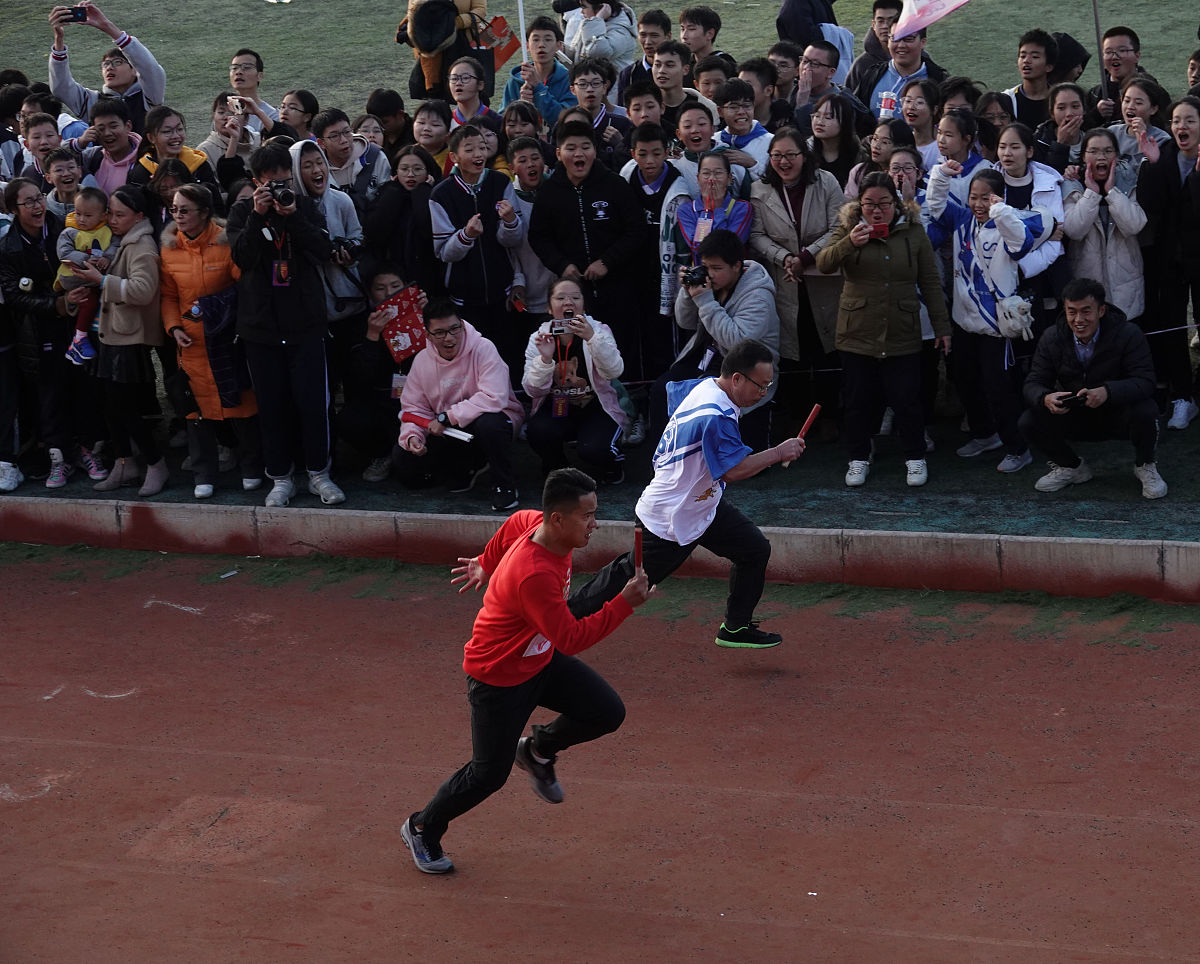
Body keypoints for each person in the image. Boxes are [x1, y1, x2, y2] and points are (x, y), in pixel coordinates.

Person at [400, 468, 651, 875]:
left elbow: (514, 521)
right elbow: (570, 637)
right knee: (487, 776)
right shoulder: (535, 575)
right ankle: (422, 827)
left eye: (595, 513)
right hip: (498, 677)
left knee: (606, 711)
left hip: (538, 661)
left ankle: (536, 750)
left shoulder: (536, 523)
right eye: (587, 515)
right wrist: (624, 603)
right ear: (558, 519)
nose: (595, 523)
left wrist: (485, 561)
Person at [569, 338, 805, 648]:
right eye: (760, 386)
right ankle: (564, 616)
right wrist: (778, 452)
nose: (763, 393)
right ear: (736, 378)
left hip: (701, 504)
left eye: (768, 385)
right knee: (631, 579)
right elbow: (733, 471)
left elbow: (672, 394)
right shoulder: (716, 416)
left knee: (754, 549)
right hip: (672, 514)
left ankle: (735, 627)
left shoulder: (705, 386)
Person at [226, 142, 344, 508]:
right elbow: (242, 259)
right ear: (256, 181)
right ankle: (279, 478)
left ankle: (319, 474)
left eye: (283, 179)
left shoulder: (305, 205)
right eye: (270, 183)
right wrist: (258, 216)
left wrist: (291, 215)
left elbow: (325, 251)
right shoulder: (241, 212)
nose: (279, 188)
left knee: (313, 405)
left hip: (305, 325)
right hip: (260, 328)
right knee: (272, 406)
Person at [816, 172, 950, 487]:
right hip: (857, 330)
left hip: (902, 328)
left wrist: (942, 327)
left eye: (884, 204)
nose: (877, 211)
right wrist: (850, 243)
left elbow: (930, 281)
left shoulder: (913, 230)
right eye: (869, 204)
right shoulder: (848, 227)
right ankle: (858, 457)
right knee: (858, 399)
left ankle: (915, 457)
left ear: (896, 202)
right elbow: (824, 263)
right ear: (859, 204)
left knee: (906, 398)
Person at [926, 163, 1052, 474]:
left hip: (997, 325)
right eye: (974, 197)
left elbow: (1021, 245)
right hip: (964, 320)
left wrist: (1001, 212)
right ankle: (985, 434)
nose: (978, 204)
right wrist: (941, 175)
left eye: (986, 198)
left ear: (1000, 197)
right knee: (966, 381)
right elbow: (937, 205)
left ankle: (1018, 447)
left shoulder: (1010, 221)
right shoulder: (963, 219)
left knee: (999, 388)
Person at [159, 183, 262, 500]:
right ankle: (204, 473)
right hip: (190, 344)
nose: (178, 215)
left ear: (205, 213)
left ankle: (252, 468)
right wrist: (174, 327)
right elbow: (168, 295)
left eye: (185, 209)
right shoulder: (169, 248)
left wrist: (221, 313)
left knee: (242, 407)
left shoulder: (226, 242)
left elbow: (243, 287)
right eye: (174, 209)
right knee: (195, 411)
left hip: (227, 342)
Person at [1019, 277, 1165, 499]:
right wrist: (1045, 397)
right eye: (1072, 311)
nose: (1079, 319)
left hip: (1118, 412)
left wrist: (1108, 391)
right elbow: (1033, 382)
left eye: (1086, 311)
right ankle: (1071, 467)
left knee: (1147, 410)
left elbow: (1145, 381)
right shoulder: (1052, 337)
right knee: (1029, 420)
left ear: (1101, 310)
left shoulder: (1129, 333)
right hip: (1075, 414)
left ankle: (1145, 465)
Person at [748, 128, 843, 435]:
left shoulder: (826, 182)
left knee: (825, 347)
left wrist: (805, 257)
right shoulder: (759, 189)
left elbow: (838, 228)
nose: (784, 162)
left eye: (791, 155)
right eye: (777, 156)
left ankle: (830, 416)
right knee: (791, 352)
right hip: (784, 282)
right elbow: (756, 235)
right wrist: (785, 259)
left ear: (805, 156)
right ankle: (798, 420)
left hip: (822, 279)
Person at [530, 120, 645, 372]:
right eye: (571, 148)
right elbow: (538, 237)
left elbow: (636, 230)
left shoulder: (614, 185)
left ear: (595, 150)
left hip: (617, 285)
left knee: (620, 347)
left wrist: (607, 262)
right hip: (575, 291)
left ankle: (627, 398)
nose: (579, 154)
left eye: (586, 147)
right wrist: (562, 265)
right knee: (578, 354)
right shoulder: (549, 192)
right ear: (559, 154)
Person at [0, 178, 91, 491]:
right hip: (39, 331)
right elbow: (14, 296)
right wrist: (57, 304)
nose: (38, 206)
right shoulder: (9, 247)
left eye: (39, 198)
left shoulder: (63, 228)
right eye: (28, 202)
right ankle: (58, 456)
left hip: (79, 322)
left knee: (82, 386)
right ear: (13, 210)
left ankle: (86, 450)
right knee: (50, 392)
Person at [657, 228, 780, 453]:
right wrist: (688, 292)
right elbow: (685, 322)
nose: (710, 275)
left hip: (745, 370)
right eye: (707, 267)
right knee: (662, 390)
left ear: (737, 266)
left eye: (717, 268)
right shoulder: (710, 283)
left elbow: (739, 343)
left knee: (746, 453)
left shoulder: (758, 294)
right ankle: (667, 457)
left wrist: (704, 301)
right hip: (708, 359)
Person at [398, 298, 526, 511]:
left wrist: (447, 416)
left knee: (489, 424)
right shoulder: (421, 360)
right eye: (439, 332)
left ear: (462, 325)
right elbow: (413, 408)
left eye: (454, 329)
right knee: (405, 463)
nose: (449, 338)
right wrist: (413, 436)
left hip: (492, 420)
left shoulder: (483, 348)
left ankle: (504, 485)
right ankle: (466, 467)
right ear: (427, 334)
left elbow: (494, 396)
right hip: (448, 430)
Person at [83, 185, 168, 496]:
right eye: (111, 213)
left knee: (126, 409)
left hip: (127, 339)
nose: (112, 220)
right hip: (113, 335)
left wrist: (102, 281)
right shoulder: (125, 242)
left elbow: (143, 291)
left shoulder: (142, 246)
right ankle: (125, 463)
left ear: (138, 216)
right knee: (111, 407)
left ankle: (155, 464)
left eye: (119, 214)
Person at [429, 123, 526, 373]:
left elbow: (512, 241)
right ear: (454, 157)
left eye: (482, 147)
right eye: (470, 149)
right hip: (463, 299)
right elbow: (443, 253)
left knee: (508, 357)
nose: (478, 154)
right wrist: (466, 235)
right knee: (472, 361)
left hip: (502, 292)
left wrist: (510, 222)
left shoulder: (500, 182)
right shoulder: (441, 195)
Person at [523, 277, 629, 484]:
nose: (568, 302)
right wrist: (545, 359)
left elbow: (614, 371)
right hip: (556, 407)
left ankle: (612, 465)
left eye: (575, 297)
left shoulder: (599, 330)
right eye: (560, 297)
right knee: (537, 431)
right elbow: (532, 391)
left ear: (583, 305)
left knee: (594, 450)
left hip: (595, 407)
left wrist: (592, 339)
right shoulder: (539, 337)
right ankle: (557, 466)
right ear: (549, 307)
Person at [1137, 95, 1200, 431]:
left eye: (1189, 120)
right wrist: (1151, 164)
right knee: (1173, 325)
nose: (1181, 127)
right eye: (1176, 121)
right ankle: (1182, 397)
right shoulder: (1165, 158)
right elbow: (1151, 208)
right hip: (1172, 260)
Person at [1061, 128, 1147, 332]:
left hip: (1125, 286)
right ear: (1083, 156)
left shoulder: (1130, 180)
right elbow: (1074, 229)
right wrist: (1092, 192)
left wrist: (1111, 192)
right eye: (1094, 151)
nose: (1101, 157)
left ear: (1116, 156)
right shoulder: (1071, 183)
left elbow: (1135, 225)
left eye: (1108, 151)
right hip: (1087, 287)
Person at [47, 2, 165, 135]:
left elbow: (151, 70)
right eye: (106, 64)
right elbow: (61, 88)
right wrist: (58, 40)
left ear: (134, 70)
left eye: (117, 62)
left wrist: (107, 26)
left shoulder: (149, 97)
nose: (109, 68)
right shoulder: (93, 102)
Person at [55, 186, 116, 365]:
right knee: (89, 300)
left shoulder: (107, 230)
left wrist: (107, 258)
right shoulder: (70, 231)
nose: (81, 219)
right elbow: (64, 252)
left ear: (103, 215)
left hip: (94, 277)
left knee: (96, 299)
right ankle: (78, 339)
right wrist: (87, 260)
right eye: (78, 213)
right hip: (74, 276)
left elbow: (115, 245)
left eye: (88, 216)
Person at [846, 26, 947, 120]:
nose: (901, 45)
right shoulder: (872, 74)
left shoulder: (939, 81)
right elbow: (855, 116)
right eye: (895, 38)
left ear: (923, 42)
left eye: (908, 39)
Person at [673, 151, 753, 265]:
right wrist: (707, 210)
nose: (712, 179)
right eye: (706, 173)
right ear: (698, 178)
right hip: (702, 277)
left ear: (729, 178)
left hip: (734, 277)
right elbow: (698, 247)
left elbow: (730, 248)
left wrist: (718, 208)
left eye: (718, 173)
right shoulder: (686, 210)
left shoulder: (742, 208)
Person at [501, 16, 577, 128]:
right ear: (527, 46)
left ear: (559, 46)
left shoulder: (569, 80)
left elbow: (565, 120)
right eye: (535, 39)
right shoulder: (516, 81)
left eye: (548, 39)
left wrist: (539, 89)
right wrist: (520, 106)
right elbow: (502, 121)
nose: (541, 45)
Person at [312, 108, 392, 211]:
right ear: (321, 143)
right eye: (335, 136)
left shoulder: (376, 157)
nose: (344, 140)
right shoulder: (315, 167)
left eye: (346, 132)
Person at [1002, 29, 1058, 129]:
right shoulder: (1007, 99)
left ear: (1049, 66)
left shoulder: (1059, 99)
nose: (1026, 61)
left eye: (1035, 56)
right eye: (1022, 56)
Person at [616, 8, 671, 106]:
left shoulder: (680, 69)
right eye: (643, 35)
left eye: (654, 35)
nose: (648, 42)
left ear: (668, 36)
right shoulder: (629, 74)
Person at [565, 0, 637, 71]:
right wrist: (562, 49)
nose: (581, 11)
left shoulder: (620, 30)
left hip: (613, 81)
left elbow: (598, 53)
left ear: (600, 8)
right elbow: (580, 53)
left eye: (584, 7)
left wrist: (598, 19)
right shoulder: (591, 23)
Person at [809, 90, 862, 188]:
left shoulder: (858, 156)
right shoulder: (806, 151)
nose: (820, 122)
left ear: (844, 122)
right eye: (817, 115)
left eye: (828, 118)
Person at [227, 49, 278, 133]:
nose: (238, 72)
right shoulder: (223, 111)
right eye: (234, 68)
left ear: (260, 76)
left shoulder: (271, 115)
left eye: (246, 67)